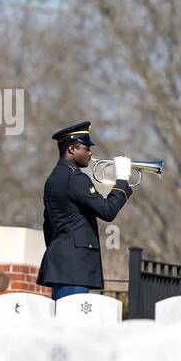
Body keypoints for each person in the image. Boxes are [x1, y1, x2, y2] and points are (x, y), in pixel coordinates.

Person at [36, 122, 134, 301]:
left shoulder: (53, 179)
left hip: (61, 263)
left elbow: (47, 225)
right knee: (73, 323)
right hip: (75, 267)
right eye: (86, 147)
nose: (90, 152)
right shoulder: (76, 179)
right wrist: (121, 180)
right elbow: (107, 211)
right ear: (72, 149)